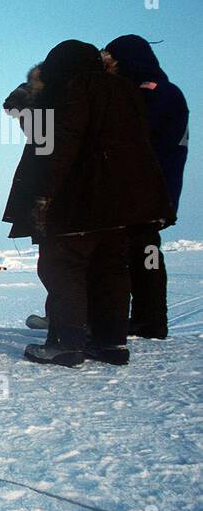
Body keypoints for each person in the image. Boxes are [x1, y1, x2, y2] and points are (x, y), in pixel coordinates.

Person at [2, 40, 174, 366]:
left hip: (74, 200)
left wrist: (43, 195)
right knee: (110, 271)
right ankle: (111, 344)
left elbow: (54, 142)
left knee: (62, 268)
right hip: (121, 204)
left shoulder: (69, 87)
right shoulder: (124, 90)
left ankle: (66, 344)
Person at [103, 35, 190, 339]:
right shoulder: (164, 91)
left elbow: (133, 134)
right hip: (154, 191)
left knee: (145, 253)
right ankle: (146, 318)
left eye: (111, 59)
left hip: (147, 193)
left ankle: (150, 319)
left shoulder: (155, 93)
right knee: (144, 253)